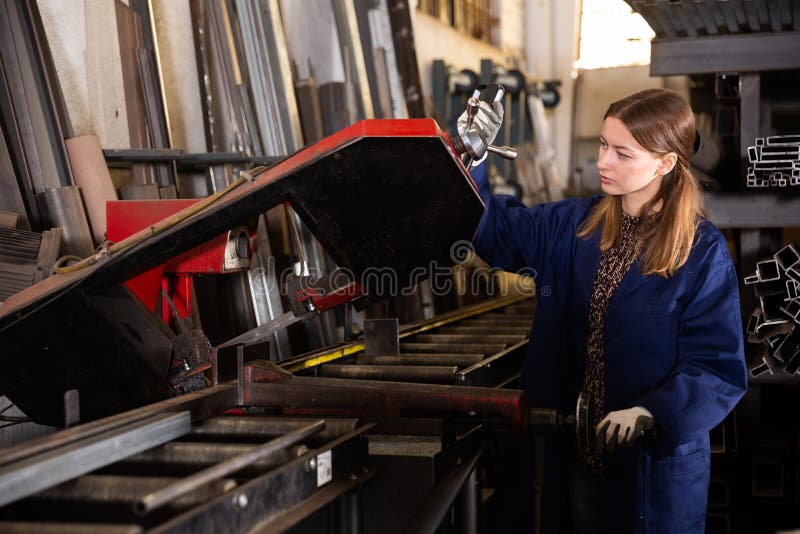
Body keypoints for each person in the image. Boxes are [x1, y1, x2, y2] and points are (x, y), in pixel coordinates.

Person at [459, 88, 747, 533]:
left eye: (622, 153)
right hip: (571, 461)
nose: (602, 163)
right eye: (603, 145)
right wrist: (471, 161)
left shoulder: (700, 252)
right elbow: (497, 231)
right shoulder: (573, 226)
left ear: (665, 162)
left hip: (647, 474)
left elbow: (717, 368)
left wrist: (651, 412)